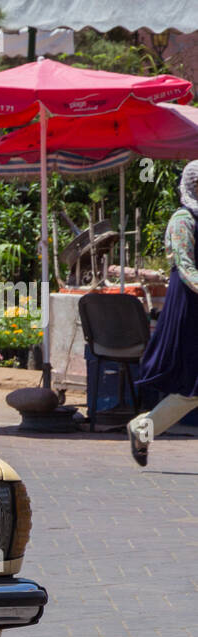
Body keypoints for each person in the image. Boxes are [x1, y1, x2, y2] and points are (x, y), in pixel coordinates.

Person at [128, 160, 198, 466]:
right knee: (192, 384)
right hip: (190, 306)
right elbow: (185, 266)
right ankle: (143, 428)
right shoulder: (182, 220)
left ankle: (143, 428)